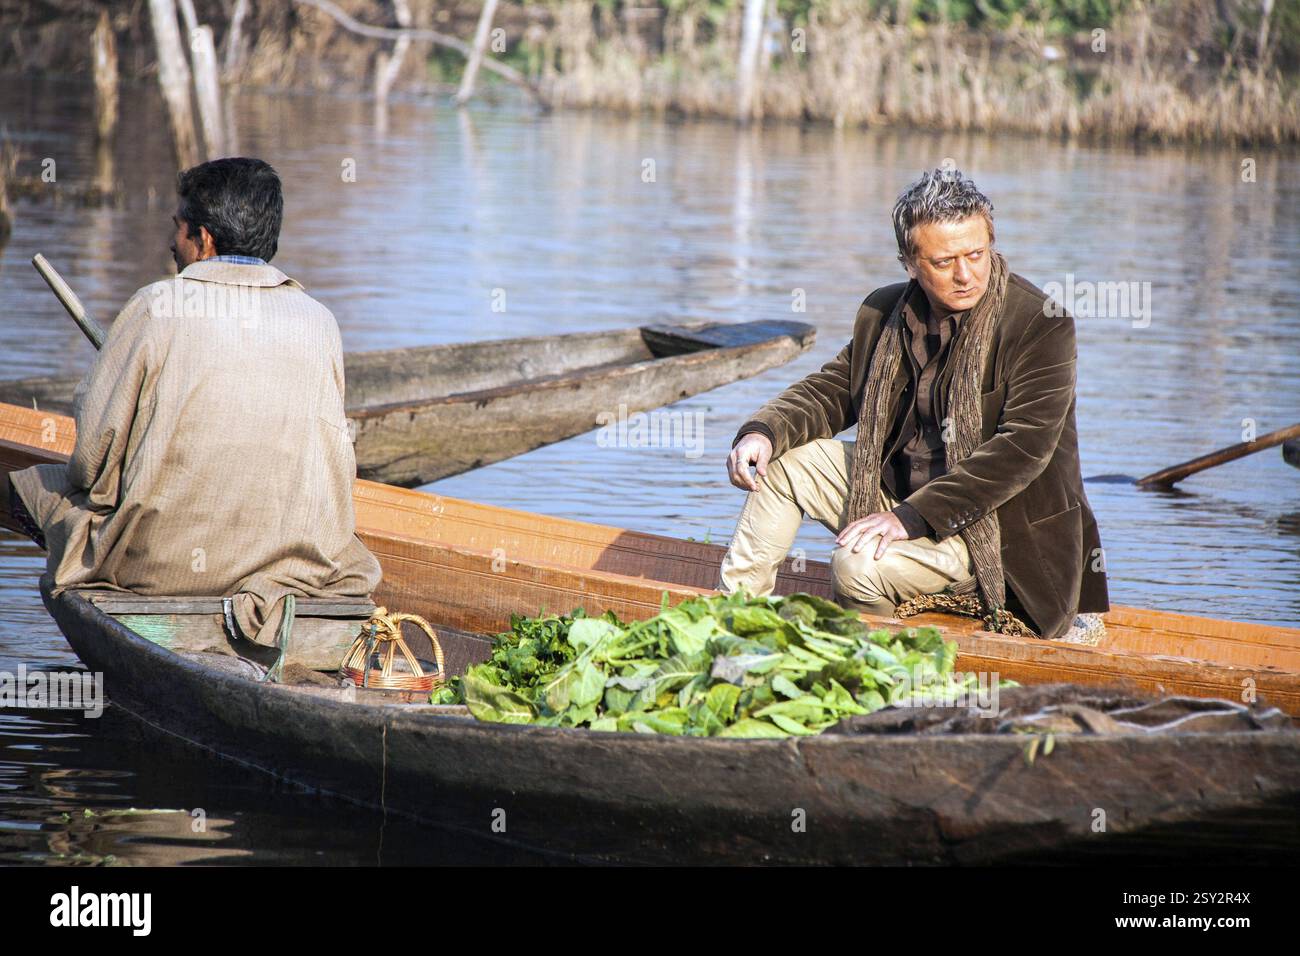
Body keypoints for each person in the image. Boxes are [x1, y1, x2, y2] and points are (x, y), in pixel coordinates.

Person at [719, 167, 1108, 640]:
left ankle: (880, 662)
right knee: (782, 461)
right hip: (896, 496)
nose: (966, 275)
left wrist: (911, 518)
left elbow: (1022, 451)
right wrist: (762, 431)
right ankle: (731, 623)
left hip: (994, 535)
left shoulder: (1040, 323)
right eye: (944, 263)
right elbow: (836, 388)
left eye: (976, 254)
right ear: (909, 263)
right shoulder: (883, 312)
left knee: (856, 565)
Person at [4, 157, 381, 644]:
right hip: (292, 569)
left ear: (203, 241)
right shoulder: (319, 320)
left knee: (28, 486)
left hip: (161, 568)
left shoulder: (155, 306)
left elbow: (92, 464)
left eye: (178, 228)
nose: (171, 242)